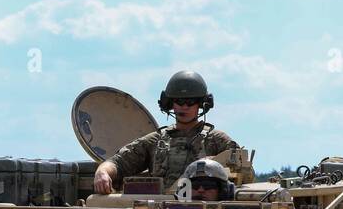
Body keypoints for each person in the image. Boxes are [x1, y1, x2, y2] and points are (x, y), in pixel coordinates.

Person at [93, 71, 239, 194]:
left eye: (190, 101)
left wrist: (215, 164)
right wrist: (102, 172)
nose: (184, 107)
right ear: (169, 103)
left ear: (202, 104)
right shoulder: (155, 141)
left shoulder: (217, 140)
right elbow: (119, 162)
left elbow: (244, 172)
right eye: (179, 101)